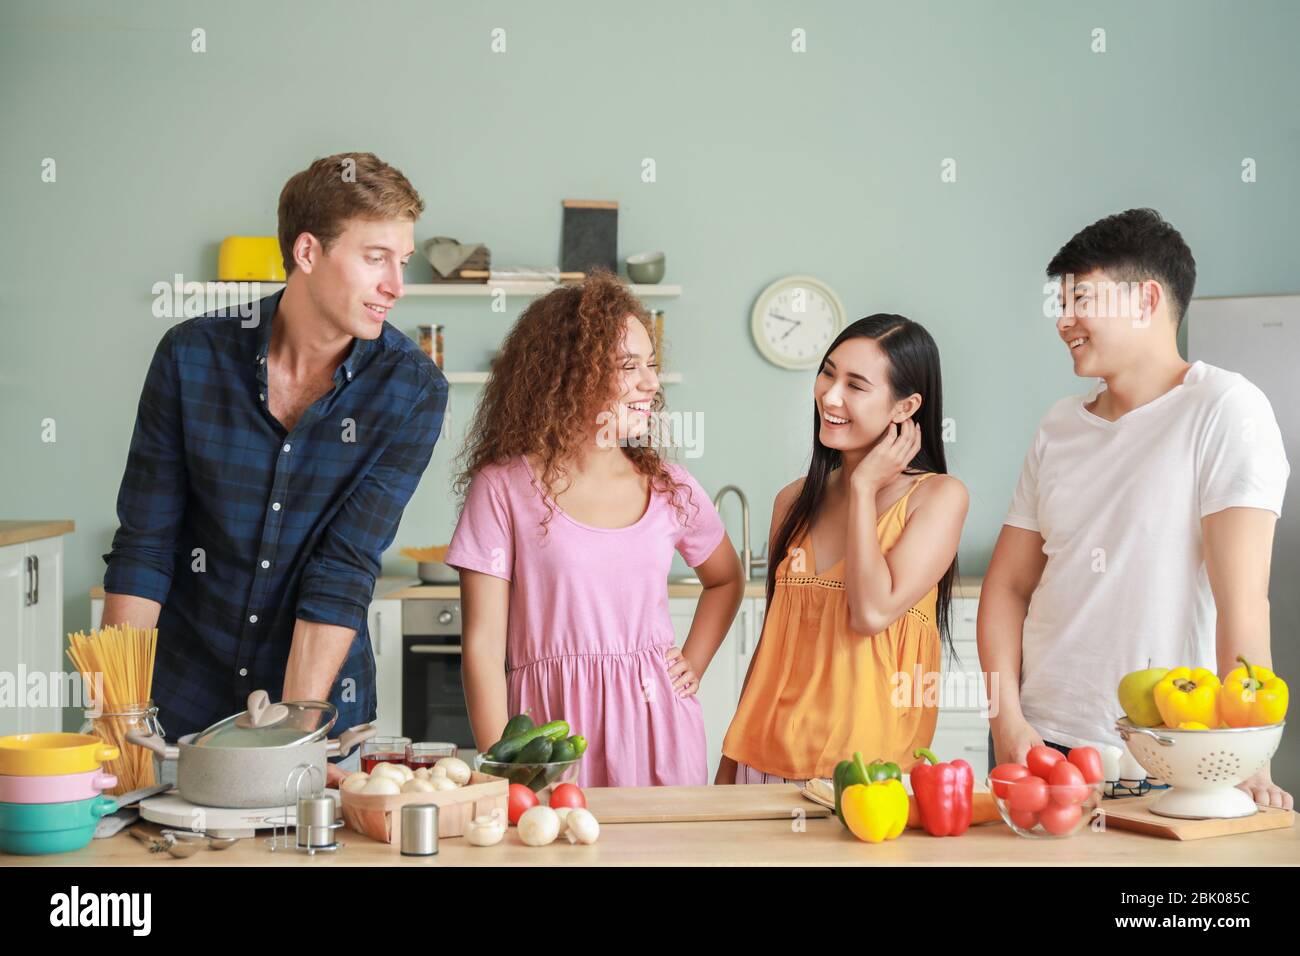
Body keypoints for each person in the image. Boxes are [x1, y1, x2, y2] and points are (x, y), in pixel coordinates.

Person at [102, 152, 446, 784]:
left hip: (317, 705)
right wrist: (115, 713)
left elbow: (343, 566)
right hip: (179, 702)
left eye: (404, 260)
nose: (397, 284)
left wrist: (291, 738)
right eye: (376, 258)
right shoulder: (191, 357)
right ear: (308, 252)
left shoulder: (412, 389)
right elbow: (145, 546)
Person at [979, 208, 1292, 808]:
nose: (1063, 321)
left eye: (1080, 300)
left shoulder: (1225, 409)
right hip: (1036, 745)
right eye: (1059, 304)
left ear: (1145, 300)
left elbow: (1242, 600)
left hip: (1165, 753)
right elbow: (1008, 587)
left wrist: (1247, 755)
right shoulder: (1058, 426)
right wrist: (1005, 721)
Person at [447, 271, 745, 787]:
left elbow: (725, 579)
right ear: (568, 374)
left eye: (651, 365)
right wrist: (504, 764)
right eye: (629, 366)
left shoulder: (669, 485)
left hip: (659, 722)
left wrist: (692, 664)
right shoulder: (502, 489)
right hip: (550, 733)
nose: (651, 382)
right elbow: (482, 645)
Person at [719, 315, 968, 784]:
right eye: (828, 373)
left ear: (905, 406)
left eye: (856, 385)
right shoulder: (792, 501)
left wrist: (864, 489)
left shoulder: (939, 498)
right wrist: (729, 763)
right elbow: (772, 644)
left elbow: (870, 614)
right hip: (763, 761)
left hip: (866, 777)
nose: (830, 395)